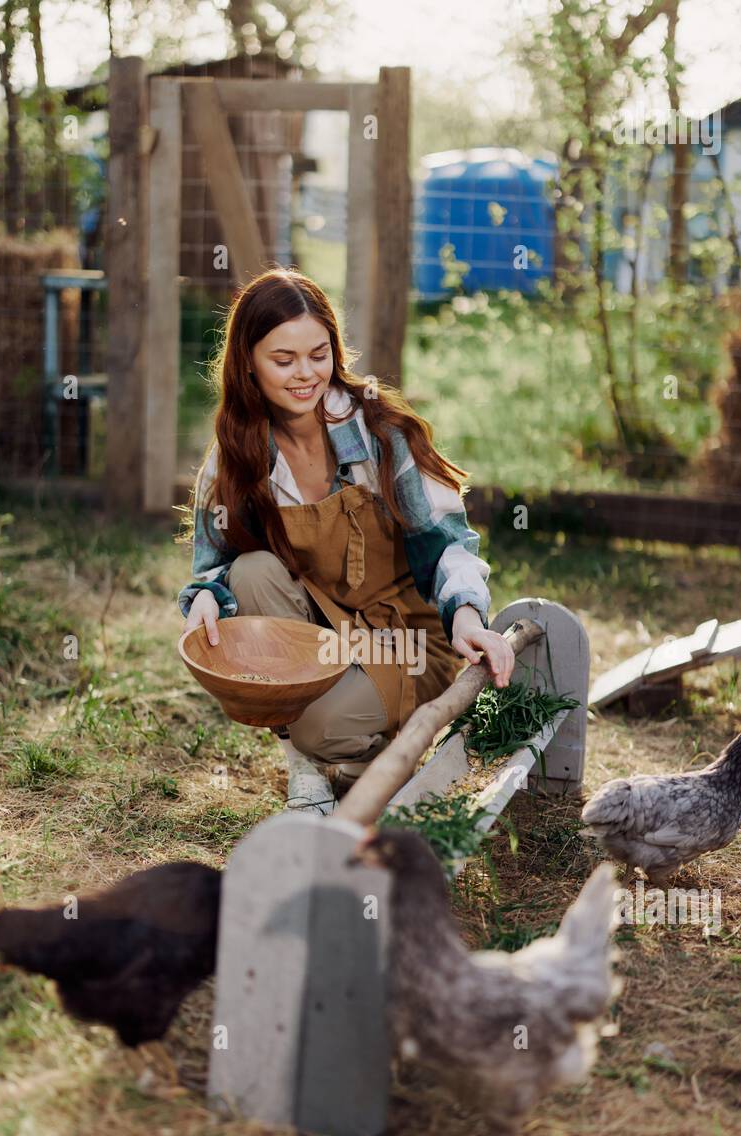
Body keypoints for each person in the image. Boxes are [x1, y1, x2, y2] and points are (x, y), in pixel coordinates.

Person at [180, 268, 513, 815]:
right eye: (282, 360)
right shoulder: (235, 457)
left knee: (321, 726)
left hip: (403, 640)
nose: (305, 374)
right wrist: (209, 599)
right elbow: (214, 567)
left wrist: (469, 619)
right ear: (247, 362)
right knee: (251, 572)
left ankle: (350, 750)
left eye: (318, 354)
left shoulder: (381, 433)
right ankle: (310, 767)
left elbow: (448, 539)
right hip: (323, 636)